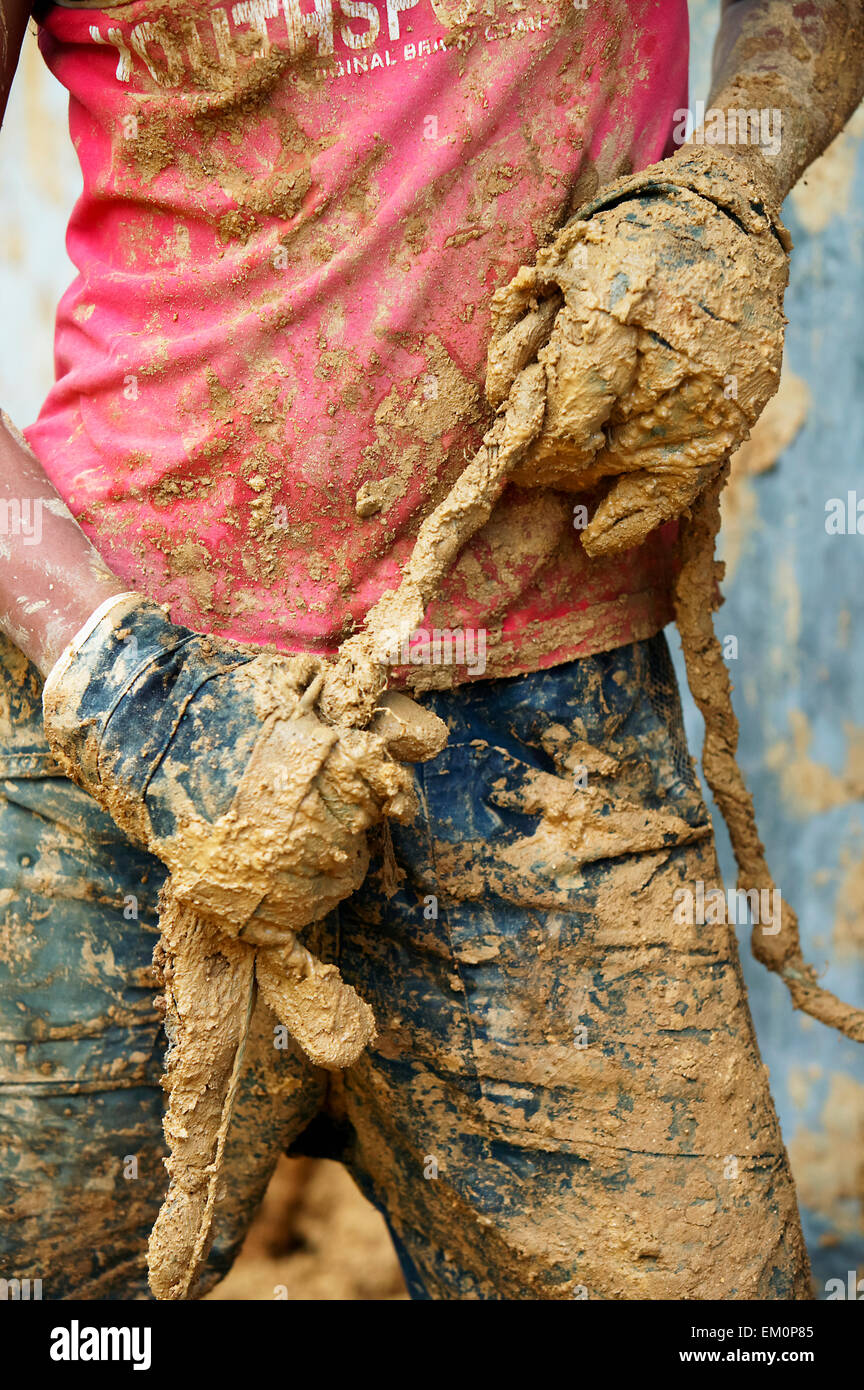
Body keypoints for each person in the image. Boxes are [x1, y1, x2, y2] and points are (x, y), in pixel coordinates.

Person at [0, 0, 861, 1300]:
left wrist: (730, 181)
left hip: (558, 742)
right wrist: (117, 675)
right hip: (128, 732)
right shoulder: (126, 693)